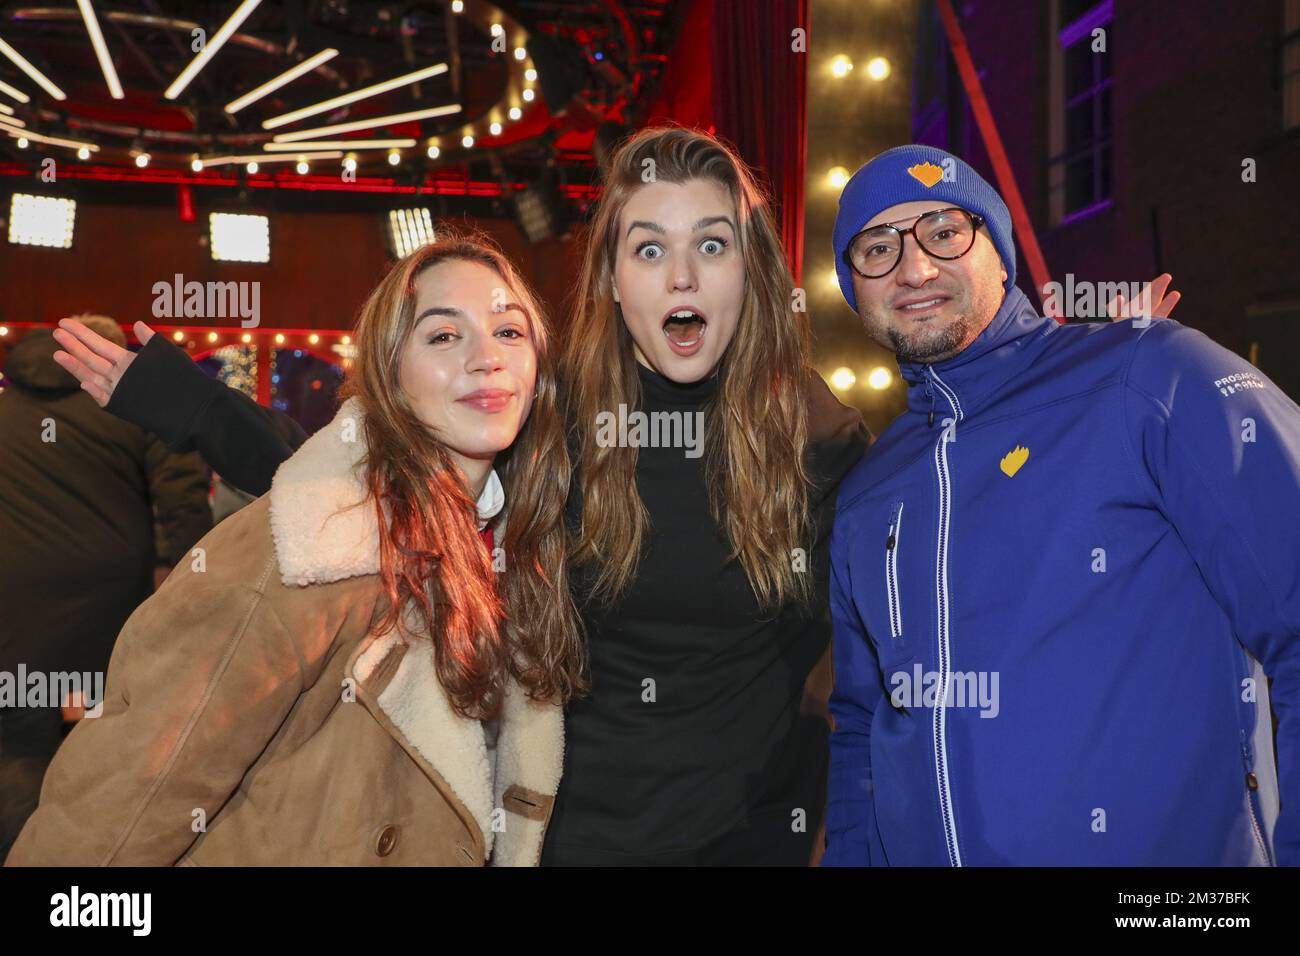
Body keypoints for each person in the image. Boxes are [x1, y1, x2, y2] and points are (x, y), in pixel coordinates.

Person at [46, 127, 873, 866]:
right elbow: (380, 493)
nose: (682, 274)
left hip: (754, 843)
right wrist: (196, 407)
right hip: (569, 843)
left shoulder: (820, 440)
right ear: (615, 280)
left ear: (752, 268)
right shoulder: (555, 419)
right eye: (649, 249)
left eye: (714, 245)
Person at [5, 232, 585, 866]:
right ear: (390, 373)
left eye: (509, 332)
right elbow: (120, 806)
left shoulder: (527, 544)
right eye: (444, 335)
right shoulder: (297, 551)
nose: (487, 359)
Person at [822, 144, 1299, 866]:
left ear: (998, 249)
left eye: (945, 231)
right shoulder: (869, 489)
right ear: (852, 286)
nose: (914, 269)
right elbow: (861, 726)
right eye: (877, 248)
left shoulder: (1148, 375)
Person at [0, 316, 211, 861]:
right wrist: (199, 590)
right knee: (112, 740)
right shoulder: (138, 410)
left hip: (14, 605)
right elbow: (182, 500)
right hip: (111, 605)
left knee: (20, 737)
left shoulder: (7, 408)